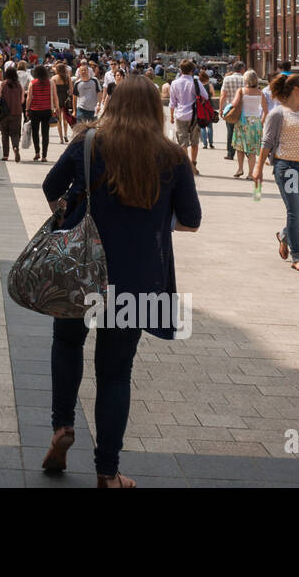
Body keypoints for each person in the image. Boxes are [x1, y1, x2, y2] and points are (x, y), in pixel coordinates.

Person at [40, 75, 201, 487]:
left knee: (67, 341)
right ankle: (107, 472)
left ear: (111, 102)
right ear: (157, 110)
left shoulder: (88, 141)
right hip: (138, 278)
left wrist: (71, 213)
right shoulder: (172, 155)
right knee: (115, 373)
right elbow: (192, 220)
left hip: (80, 269)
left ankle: (62, 426)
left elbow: (50, 185)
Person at [252, 73, 299, 271]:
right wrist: (258, 168)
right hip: (287, 168)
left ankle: (284, 235)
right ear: (296, 90)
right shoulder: (277, 114)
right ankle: (297, 256)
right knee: (294, 212)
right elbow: (267, 143)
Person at [167, 59, 205, 175]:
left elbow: (172, 102)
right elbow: (206, 96)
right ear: (192, 71)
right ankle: (193, 163)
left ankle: (187, 166)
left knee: (183, 143)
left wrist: (172, 116)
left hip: (180, 115)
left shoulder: (174, 83)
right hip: (194, 116)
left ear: (180, 70)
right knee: (194, 142)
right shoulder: (196, 82)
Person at [232, 71, 268, 179]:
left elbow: (234, 104)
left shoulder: (241, 91)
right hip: (255, 123)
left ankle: (240, 168)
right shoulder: (260, 93)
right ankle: (250, 173)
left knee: (240, 147)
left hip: (242, 122)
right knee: (252, 150)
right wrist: (260, 123)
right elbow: (266, 111)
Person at [25, 63, 59, 162]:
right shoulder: (51, 82)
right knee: (45, 133)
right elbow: (55, 96)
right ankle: (44, 156)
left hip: (35, 111)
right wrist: (57, 108)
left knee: (35, 133)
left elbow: (29, 98)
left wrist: (27, 110)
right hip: (47, 111)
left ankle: (37, 153)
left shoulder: (33, 83)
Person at [0, 64, 25, 161]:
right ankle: (15, 147)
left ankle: (5, 155)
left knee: (5, 134)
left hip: (4, 113)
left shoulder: (2, 84)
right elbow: (22, 101)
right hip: (16, 112)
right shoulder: (19, 85)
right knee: (15, 133)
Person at [220, 61, 246, 162]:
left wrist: (221, 109)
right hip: (243, 109)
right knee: (242, 131)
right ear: (242, 69)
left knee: (230, 131)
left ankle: (230, 153)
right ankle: (244, 152)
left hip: (230, 109)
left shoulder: (227, 79)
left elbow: (223, 95)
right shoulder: (245, 79)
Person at [72, 62, 101, 126]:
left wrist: (99, 104)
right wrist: (74, 111)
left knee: (93, 130)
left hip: (93, 109)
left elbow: (99, 93)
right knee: (80, 130)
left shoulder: (94, 80)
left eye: (85, 70)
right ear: (79, 72)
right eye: (81, 70)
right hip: (81, 109)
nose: (83, 71)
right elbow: (74, 97)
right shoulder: (77, 83)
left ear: (88, 71)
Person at [53, 61, 72, 142]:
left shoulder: (54, 78)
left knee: (58, 119)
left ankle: (61, 138)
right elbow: (71, 90)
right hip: (65, 99)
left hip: (57, 99)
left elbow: (52, 92)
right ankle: (65, 135)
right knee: (65, 119)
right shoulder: (68, 77)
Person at [196, 71, 216, 149]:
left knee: (202, 126)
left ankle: (205, 144)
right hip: (209, 106)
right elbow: (213, 94)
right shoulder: (209, 85)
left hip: (200, 107)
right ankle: (211, 143)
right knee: (210, 126)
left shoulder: (198, 86)